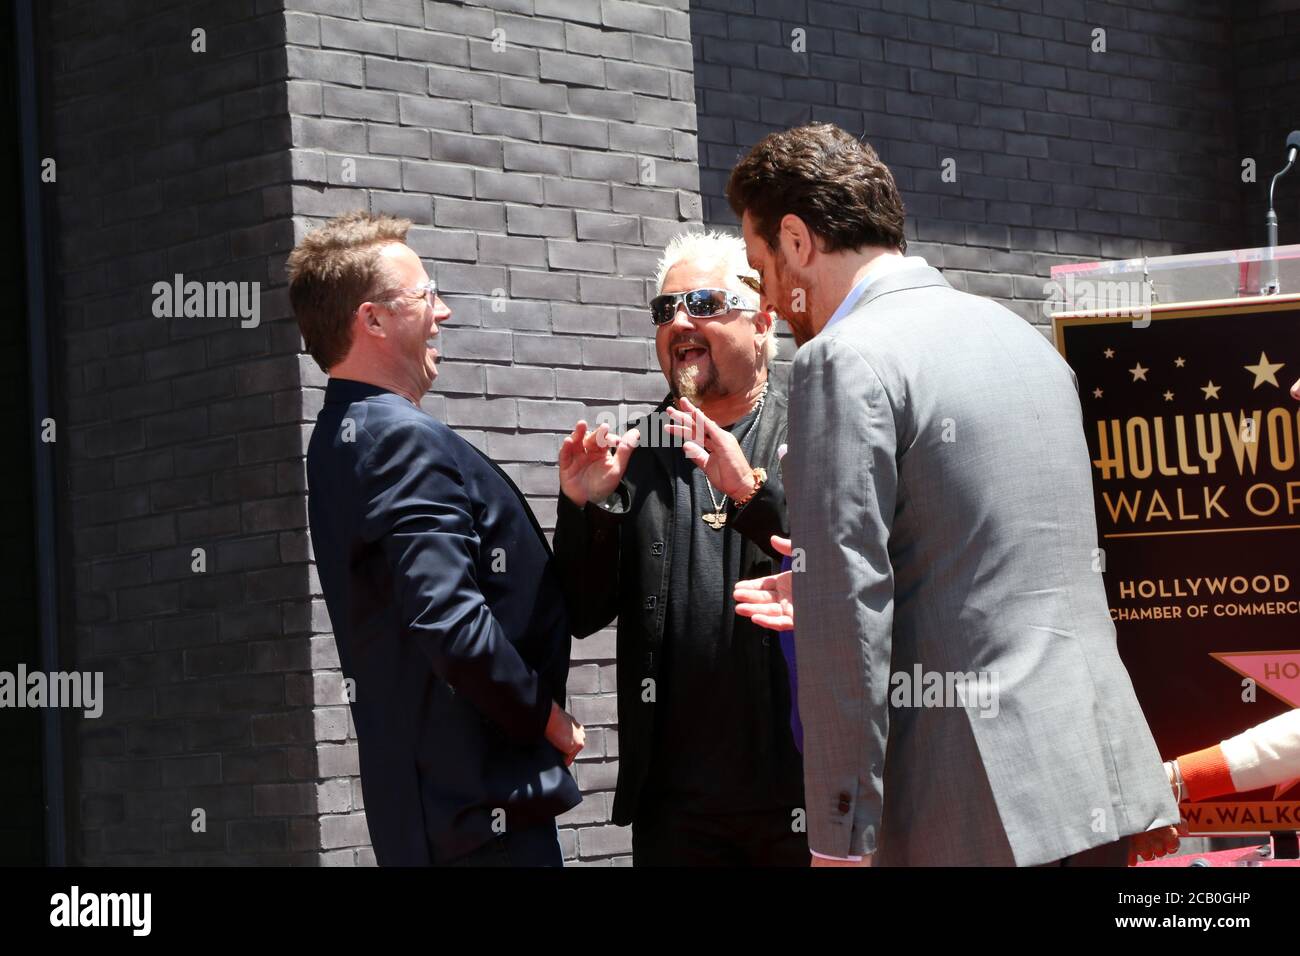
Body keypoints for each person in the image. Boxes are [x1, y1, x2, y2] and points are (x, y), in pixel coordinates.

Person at [725, 123, 1178, 866]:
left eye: (760, 269)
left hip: (964, 809)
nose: (769, 300)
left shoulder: (842, 361)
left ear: (798, 242)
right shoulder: (1023, 339)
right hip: (1094, 782)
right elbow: (1007, 563)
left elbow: (849, 611)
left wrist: (839, 836)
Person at [293, 211, 584, 866]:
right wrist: (549, 720)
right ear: (372, 320)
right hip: (476, 821)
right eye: (425, 295)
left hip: (434, 814)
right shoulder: (397, 437)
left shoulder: (344, 431)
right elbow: (450, 620)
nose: (443, 311)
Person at [552, 231, 806, 865]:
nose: (680, 321)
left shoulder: (811, 426)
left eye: (703, 302)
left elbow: (845, 562)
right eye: (666, 310)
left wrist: (750, 488)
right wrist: (588, 509)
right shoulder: (637, 453)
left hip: (796, 793)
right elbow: (580, 613)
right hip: (676, 812)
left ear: (763, 320)